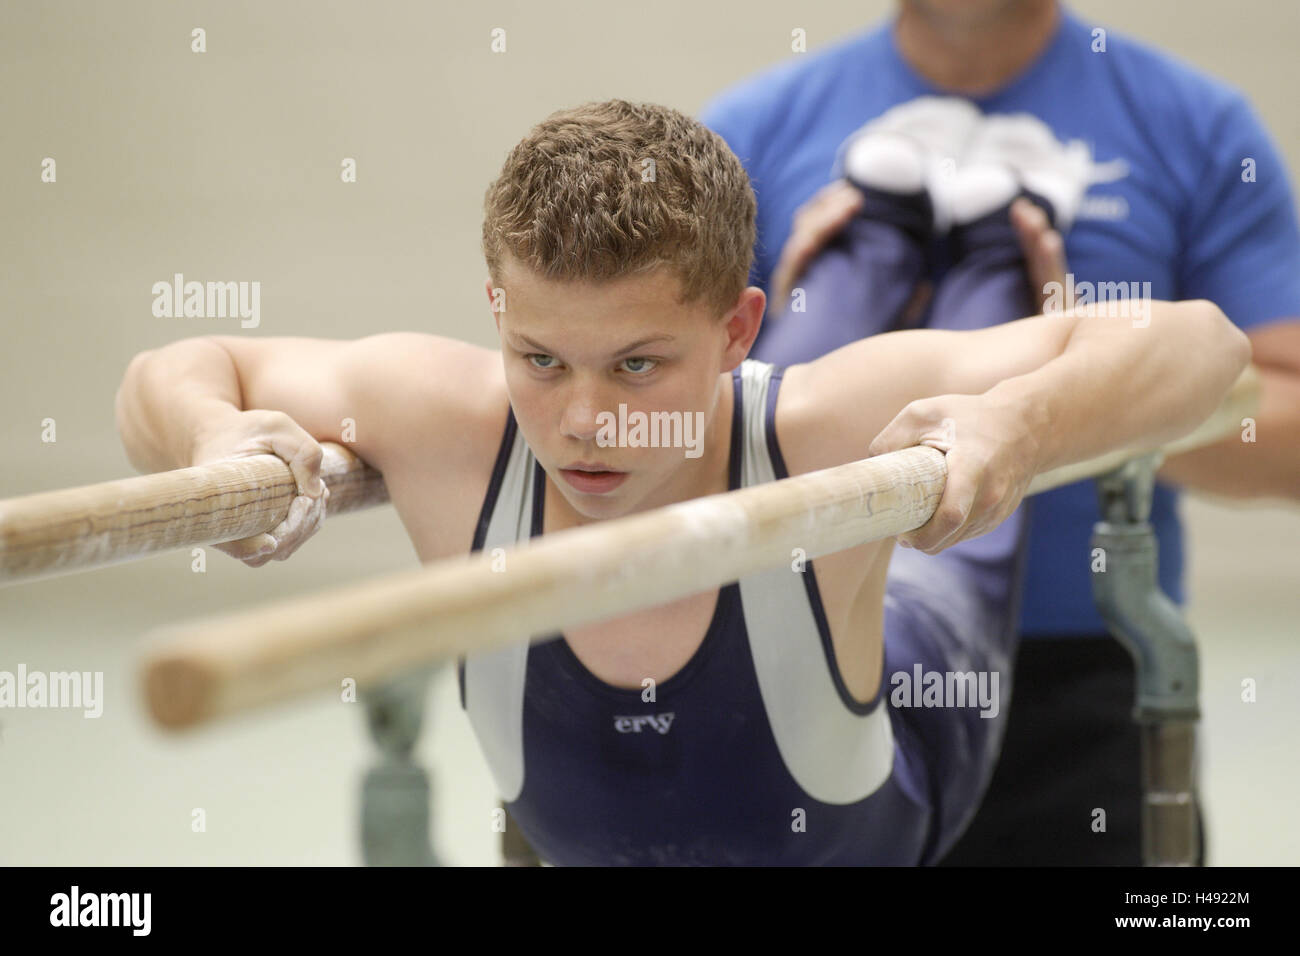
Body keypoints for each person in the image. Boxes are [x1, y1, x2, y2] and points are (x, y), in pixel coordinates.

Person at [114, 100, 1250, 865]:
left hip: (909, 695)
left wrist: (1015, 423)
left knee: (951, 415)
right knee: (832, 365)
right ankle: (858, 234)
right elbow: (167, 369)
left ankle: (990, 232)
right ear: (499, 314)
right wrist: (222, 435)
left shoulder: (823, 427)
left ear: (733, 328)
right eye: (541, 360)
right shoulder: (445, 416)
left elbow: (1206, 345)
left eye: (637, 363)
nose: (582, 419)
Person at [700, 0, 1300, 865]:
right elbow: (673, 432)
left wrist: (1073, 396)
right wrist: (806, 341)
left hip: (1081, 693)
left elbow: (1283, 425)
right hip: (802, 660)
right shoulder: (752, 131)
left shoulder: (1196, 126)